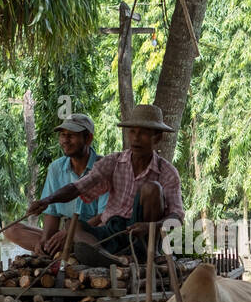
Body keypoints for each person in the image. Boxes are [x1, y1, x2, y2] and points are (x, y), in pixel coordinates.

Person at [24, 103, 183, 264]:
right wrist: (47, 200)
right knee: (73, 226)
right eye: (132, 131)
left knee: (152, 188)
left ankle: (144, 254)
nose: (135, 138)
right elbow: (78, 187)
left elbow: (176, 217)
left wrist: (151, 227)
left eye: (143, 133)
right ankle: (110, 258)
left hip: (141, 236)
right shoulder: (113, 161)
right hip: (111, 231)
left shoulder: (168, 173)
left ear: (157, 137)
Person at [7, 114, 107, 255]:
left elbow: (104, 216)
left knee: (83, 239)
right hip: (64, 235)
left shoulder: (104, 168)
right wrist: (45, 240)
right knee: (11, 230)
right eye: (62, 135)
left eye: (71, 135)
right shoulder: (56, 168)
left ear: (88, 138)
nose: (65, 140)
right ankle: (51, 250)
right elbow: (52, 213)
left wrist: (70, 232)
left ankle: (67, 250)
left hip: (92, 234)